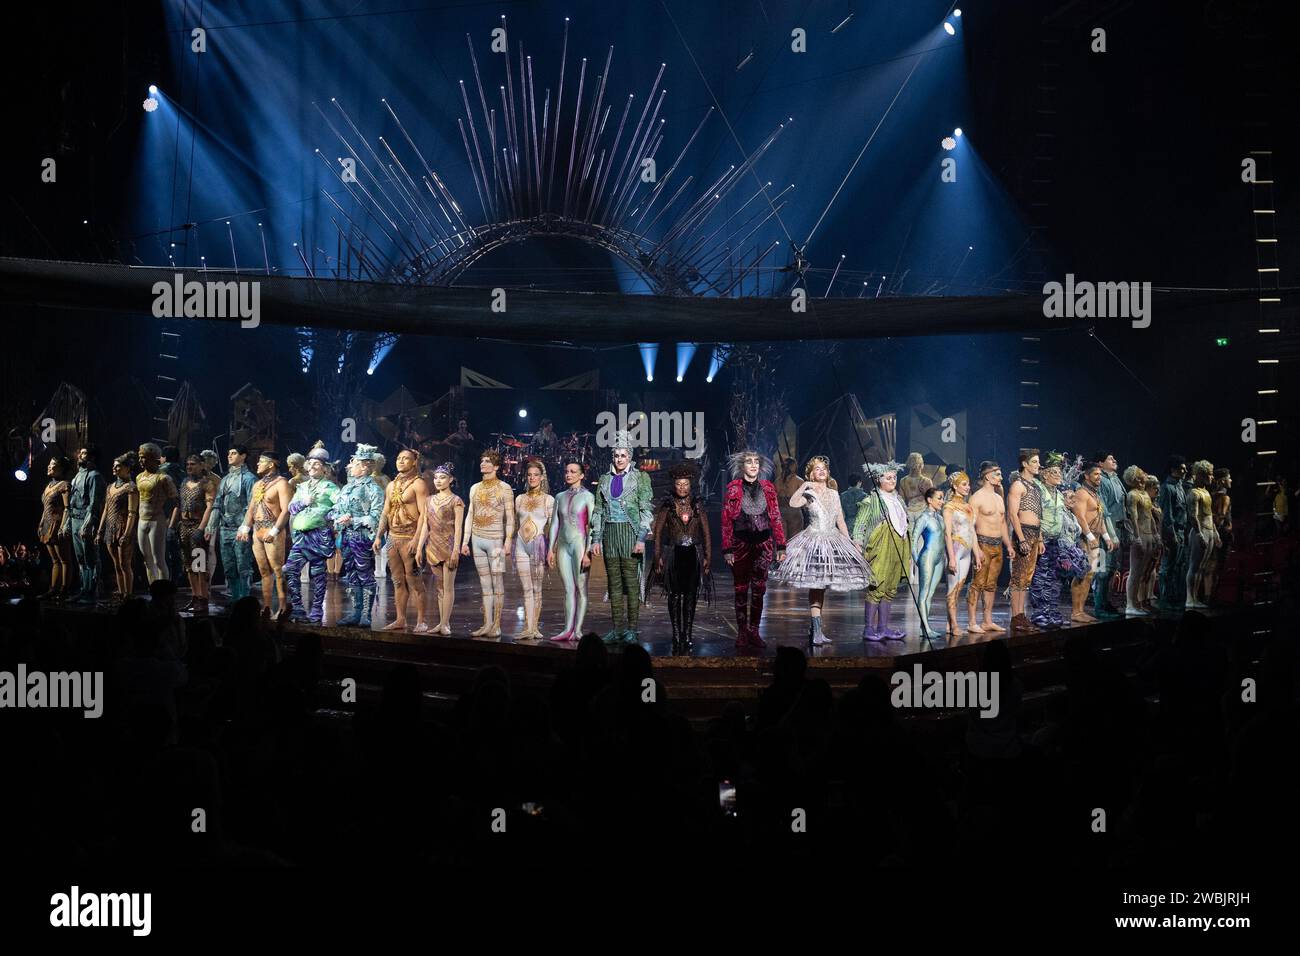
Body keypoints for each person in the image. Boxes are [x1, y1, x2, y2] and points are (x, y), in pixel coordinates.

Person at [775, 456, 872, 648]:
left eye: (824, 469)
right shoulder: (808, 492)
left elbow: (840, 521)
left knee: (822, 587)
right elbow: (793, 503)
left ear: (828, 473)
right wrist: (804, 486)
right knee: (816, 585)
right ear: (811, 474)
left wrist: (850, 541)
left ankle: (816, 629)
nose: (821, 472)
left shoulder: (834, 494)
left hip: (831, 539)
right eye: (817, 469)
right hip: (814, 540)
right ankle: (817, 631)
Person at [720, 449, 787, 650]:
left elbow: (775, 516)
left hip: (763, 544)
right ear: (742, 466)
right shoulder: (733, 489)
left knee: (759, 589)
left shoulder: (768, 488)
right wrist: (727, 549)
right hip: (740, 544)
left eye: (756, 462)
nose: (753, 465)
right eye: (749, 462)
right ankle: (742, 632)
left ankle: (754, 631)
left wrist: (781, 545)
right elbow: (726, 521)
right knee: (741, 589)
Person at [590, 438, 653, 645]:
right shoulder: (604, 479)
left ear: (630, 457)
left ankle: (632, 630)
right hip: (610, 533)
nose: (619, 459)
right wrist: (596, 539)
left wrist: (641, 538)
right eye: (616, 455)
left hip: (630, 532)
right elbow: (598, 511)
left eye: (623, 455)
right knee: (614, 582)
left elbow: (645, 510)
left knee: (631, 582)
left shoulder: (639, 478)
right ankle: (617, 629)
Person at [652, 462, 713, 654]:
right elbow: (658, 532)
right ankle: (676, 633)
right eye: (679, 484)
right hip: (674, 554)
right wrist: (657, 556)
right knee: (674, 595)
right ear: (674, 485)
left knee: (690, 596)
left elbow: (706, 532)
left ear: (690, 485)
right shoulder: (668, 506)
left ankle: (687, 633)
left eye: (685, 484)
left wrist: (708, 557)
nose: (682, 488)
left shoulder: (697, 505)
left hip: (693, 554)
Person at [1027, 452, 1086, 630]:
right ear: (1045, 475)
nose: (1059, 476)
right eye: (1055, 473)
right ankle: (1039, 613)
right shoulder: (1038, 489)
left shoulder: (1059, 494)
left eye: (1060, 473)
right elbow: (1035, 515)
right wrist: (1038, 539)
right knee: (1041, 578)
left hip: (1056, 542)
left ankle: (1052, 611)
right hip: (1042, 540)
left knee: (1055, 579)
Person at [459, 450, 515, 637]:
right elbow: (470, 514)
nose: (483, 463)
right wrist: (465, 541)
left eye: (487, 461)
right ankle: (487, 623)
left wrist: (508, 541)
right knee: (484, 584)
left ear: (496, 466)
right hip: (477, 540)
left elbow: (511, 517)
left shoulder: (504, 488)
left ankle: (497, 624)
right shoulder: (474, 487)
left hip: (496, 541)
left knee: (497, 581)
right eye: (482, 460)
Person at [283, 442, 340, 624]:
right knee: (291, 569)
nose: (312, 467)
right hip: (300, 536)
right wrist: (303, 502)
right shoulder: (302, 487)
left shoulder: (330, 488)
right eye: (311, 464)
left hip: (318, 535)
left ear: (325, 469)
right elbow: (291, 508)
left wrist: (328, 515)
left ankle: (316, 609)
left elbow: (340, 507)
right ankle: (298, 607)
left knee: (318, 574)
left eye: (317, 465)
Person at [853, 461, 909, 641]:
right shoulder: (871, 500)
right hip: (880, 544)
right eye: (888, 478)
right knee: (877, 585)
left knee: (890, 587)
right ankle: (868, 628)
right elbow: (860, 523)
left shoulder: (899, 499)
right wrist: (858, 544)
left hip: (899, 543)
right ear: (879, 479)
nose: (893, 480)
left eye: (894, 477)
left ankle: (883, 627)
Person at [330, 444, 385, 629]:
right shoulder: (346, 488)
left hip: (362, 537)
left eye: (353, 463)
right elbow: (335, 509)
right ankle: (355, 612)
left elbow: (376, 516)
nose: (349, 465)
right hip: (346, 537)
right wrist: (339, 517)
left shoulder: (374, 489)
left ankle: (366, 614)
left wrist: (352, 519)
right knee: (351, 575)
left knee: (364, 574)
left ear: (364, 466)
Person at [375, 447, 430, 632]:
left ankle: (421, 621)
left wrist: (417, 540)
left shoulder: (419, 484)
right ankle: (400, 619)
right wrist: (378, 536)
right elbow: (385, 512)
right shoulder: (391, 485)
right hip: (392, 538)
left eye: (406, 458)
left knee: (414, 580)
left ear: (414, 462)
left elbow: (424, 515)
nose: (401, 461)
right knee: (397, 580)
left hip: (409, 537)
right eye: (399, 458)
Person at [238, 451, 292, 617]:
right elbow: (251, 509)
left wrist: (275, 530)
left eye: (261, 461)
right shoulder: (258, 484)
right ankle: (267, 607)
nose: (258, 464)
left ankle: (283, 606)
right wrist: (245, 528)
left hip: (272, 530)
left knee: (277, 569)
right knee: (263, 571)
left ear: (271, 464)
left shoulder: (281, 483)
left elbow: (286, 510)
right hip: (258, 531)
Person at [547, 460, 595, 642]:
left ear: (581, 475)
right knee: (568, 589)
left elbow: (592, 526)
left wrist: (588, 552)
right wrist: (551, 548)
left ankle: (579, 629)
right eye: (567, 471)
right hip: (563, 545)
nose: (569, 474)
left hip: (579, 545)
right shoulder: (559, 496)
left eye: (573, 471)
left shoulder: (588, 497)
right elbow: (554, 524)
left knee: (581, 588)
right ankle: (567, 629)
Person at [416, 462, 464, 635]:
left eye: (442, 477)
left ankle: (445, 623)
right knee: (439, 588)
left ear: (450, 480)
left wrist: (456, 550)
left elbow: (459, 528)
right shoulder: (429, 500)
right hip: (433, 546)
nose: (438, 481)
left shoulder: (456, 501)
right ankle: (441, 623)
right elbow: (425, 527)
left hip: (449, 545)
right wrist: (420, 546)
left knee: (448, 587)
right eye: (435, 477)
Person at [511, 458, 555, 640]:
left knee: (537, 588)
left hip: (538, 546)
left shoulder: (548, 500)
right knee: (526, 589)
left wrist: (552, 550)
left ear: (542, 477)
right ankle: (528, 627)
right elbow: (514, 525)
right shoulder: (519, 499)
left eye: (536, 475)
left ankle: (534, 627)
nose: (532, 478)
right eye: (529, 475)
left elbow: (553, 527)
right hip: (521, 545)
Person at [207, 445, 256, 604]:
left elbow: (252, 505)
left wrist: (245, 527)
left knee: (243, 566)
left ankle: (245, 600)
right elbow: (217, 503)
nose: (229, 455)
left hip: (240, 529)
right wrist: (211, 525)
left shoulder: (249, 479)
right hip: (225, 529)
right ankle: (235, 599)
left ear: (243, 456)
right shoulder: (226, 479)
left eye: (234, 453)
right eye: (229, 453)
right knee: (229, 567)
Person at [968, 461, 1012, 634]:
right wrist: (976, 549)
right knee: (977, 584)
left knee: (991, 585)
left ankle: (987, 621)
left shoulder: (999, 497)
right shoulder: (977, 497)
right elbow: (970, 526)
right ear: (987, 476)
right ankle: (972, 622)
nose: (1001, 477)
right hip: (982, 543)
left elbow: (1002, 524)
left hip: (997, 545)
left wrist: (1008, 544)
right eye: (997, 474)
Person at [1070, 461, 1118, 623]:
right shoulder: (1082, 494)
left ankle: (1081, 611)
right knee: (1082, 574)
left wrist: (1106, 537)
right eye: (1096, 474)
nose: (1099, 477)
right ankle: (1076, 612)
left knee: (1090, 575)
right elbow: (1080, 517)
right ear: (1087, 476)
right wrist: (1090, 538)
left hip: (1096, 539)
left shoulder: (1096, 495)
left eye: (1100, 474)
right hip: (1085, 539)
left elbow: (1100, 517)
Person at [61, 445, 106, 603]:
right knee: (80, 557)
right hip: (75, 519)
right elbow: (72, 503)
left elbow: (94, 503)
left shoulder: (94, 476)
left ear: (92, 457)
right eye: (80, 453)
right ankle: (84, 589)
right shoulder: (76, 477)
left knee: (90, 557)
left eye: (84, 453)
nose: (80, 455)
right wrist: (67, 523)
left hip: (86, 519)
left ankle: (91, 591)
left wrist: (88, 524)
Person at [174, 453, 217, 615]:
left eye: (193, 464)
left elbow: (209, 507)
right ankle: (194, 596)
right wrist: (173, 525)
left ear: (201, 465)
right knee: (188, 564)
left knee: (199, 564)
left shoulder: (207, 483)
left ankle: (203, 598)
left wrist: (201, 528)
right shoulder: (185, 482)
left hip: (197, 526)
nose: (189, 467)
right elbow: (178, 504)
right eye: (187, 464)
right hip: (184, 526)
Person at [1006, 449, 1043, 634]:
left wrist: (1041, 538)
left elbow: (1039, 514)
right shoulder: (1017, 486)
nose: (1038, 465)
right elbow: (1013, 514)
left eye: (1038, 462)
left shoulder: (1035, 485)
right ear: (1025, 464)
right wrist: (1021, 539)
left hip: (1035, 533)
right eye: (1034, 462)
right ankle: (1016, 616)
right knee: (1018, 577)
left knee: (1027, 577)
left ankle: (1022, 615)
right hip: (1024, 533)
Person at [943, 470, 982, 636]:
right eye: (964, 484)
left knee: (959, 588)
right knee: (952, 588)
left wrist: (977, 553)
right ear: (954, 486)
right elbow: (947, 532)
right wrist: (951, 557)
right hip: (956, 549)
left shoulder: (968, 507)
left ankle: (949, 623)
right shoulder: (949, 506)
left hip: (967, 551)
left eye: (968, 484)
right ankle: (955, 625)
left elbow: (972, 531)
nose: (967, 487)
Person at [96, 452, 139, 603]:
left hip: (123, 527)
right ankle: (121, 592)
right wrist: (100, 531)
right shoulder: (110, 487)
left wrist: (127, 533)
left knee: (125, 563)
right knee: (116, 564)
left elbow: (132, 513)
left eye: (118, 466)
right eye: (113, 466)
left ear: (127, 468)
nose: (114, 468)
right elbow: (106, 510)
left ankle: (128, 594)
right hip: (110, 528)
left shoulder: (131, 487)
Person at [135, 443, 178, 584]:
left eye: (143, 457)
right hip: (142, 520)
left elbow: (176, 500)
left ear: (153, 458)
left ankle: (164, 591)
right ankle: (153, 589)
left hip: (156, 520)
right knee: (147, 560)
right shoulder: (139, 477)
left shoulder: (163, 478)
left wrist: (170, 521)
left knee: (158, 559)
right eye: (140, 457)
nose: (141, 460)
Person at [1094, 449, 1128, 617]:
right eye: (1109, 458)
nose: (1114, 460)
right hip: (1107, 529)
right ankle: (1099, 607)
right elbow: (1103, 509)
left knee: (1113, 569)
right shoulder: (1102, 481)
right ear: (1100, 463)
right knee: (1103, 570)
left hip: (1119, 528)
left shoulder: (1116, 479)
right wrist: (1110, 534)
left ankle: (1107, 603)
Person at [910, 487, 947, 640]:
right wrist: (917, 559)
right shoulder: (923, 518)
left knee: (930, 594)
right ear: (929, 500)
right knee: (924, 593)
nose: (942, 501)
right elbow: (913, 540)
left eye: (943, 498)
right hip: (928, 557)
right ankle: (926, 627)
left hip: (939, 558)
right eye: (939, 498)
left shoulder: (940, 518)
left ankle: (923, 628)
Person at [38, 455, 74, 599]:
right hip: (48, 523)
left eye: (52, 464)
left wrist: (63, 526)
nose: (49, 466)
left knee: (64, 559)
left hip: (58, 523)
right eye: (49, 463)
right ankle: (53, 589)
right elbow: (45, 507)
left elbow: (67, 508)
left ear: (61, 469)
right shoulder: (48, 485)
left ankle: (64, 589)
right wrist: (41, 522)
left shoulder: (64, 485)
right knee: (55, 560)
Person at [1184, 460, 1219, 609]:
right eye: (1209, 475)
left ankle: (1195, 597)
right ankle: (1189, 599)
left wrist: (1216, 533)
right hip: (1201, 531)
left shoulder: (1205, 492)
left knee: (1202, 567)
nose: (1212, 478)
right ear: (1201, 475)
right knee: (1194, 566)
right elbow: (1193, 516)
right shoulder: (1194, 493)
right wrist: (1198, 533)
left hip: (1209, 530)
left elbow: (1209, 514)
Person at [1157, 456, 1189, 609]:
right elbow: (1167, 515)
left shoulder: (1180, 486)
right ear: (1173, 470)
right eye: (1181, 468)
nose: (1185, 471)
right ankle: (1165, 599)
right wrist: (1171, 535)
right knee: (1167, 567)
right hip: (1173, 532)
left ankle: (1174, 597)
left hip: (1182, 530)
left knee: (1178, 566)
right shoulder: (1167, 488)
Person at [1204, 467, 1232, 602]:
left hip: (1211, 533)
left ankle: (1208, 595)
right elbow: (1220, 517)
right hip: (1221, 535)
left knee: (1210, 565)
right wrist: (1218, 534)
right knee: (1215, 566)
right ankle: (1211, 596)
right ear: (1222, 481)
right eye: (1229, 478)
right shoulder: (1224, 497)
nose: (1231, 480)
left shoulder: (1211, 495)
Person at [159, 445, 186, 583]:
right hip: (180, 515)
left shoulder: (162, 471)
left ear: (164, 457)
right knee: (175, 550)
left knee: (163, 552)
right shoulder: (182, 472)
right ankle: (175, 580)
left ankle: (166, 583)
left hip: (164, 515)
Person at [1142, 474, 1164, 610]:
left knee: (1152, 569)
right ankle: (1141, 599)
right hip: (1148, 538)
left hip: (1157, 540)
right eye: (1154, 488)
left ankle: (1149, 595)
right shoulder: (1145, 503)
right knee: (1144, 571)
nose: (1157, 490)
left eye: (1157, 488)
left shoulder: (1155, 503)